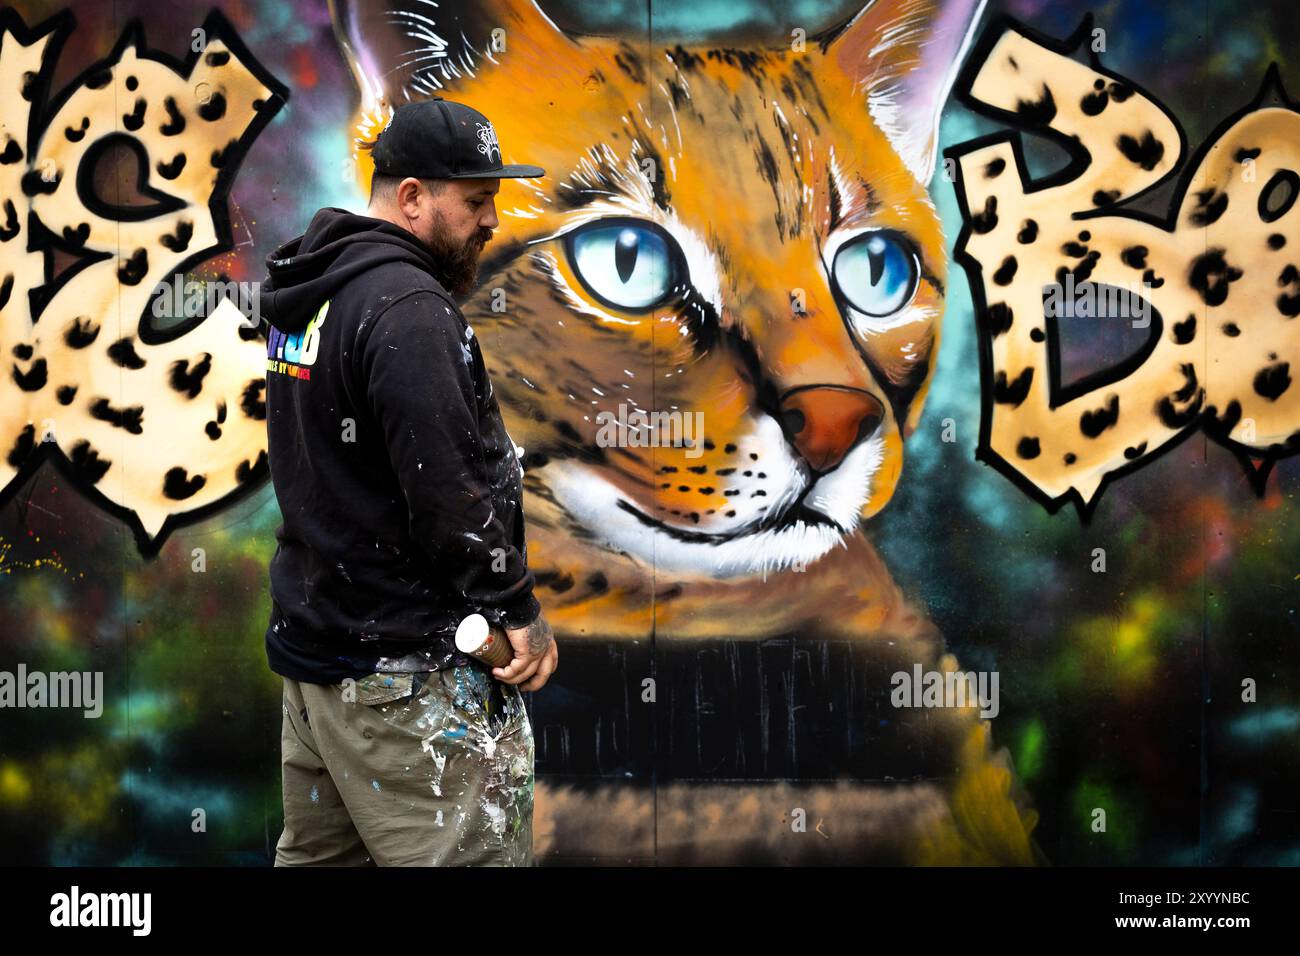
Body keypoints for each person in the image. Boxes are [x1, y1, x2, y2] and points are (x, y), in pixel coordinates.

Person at [259, 97, 557, 866]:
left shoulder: (313, 287)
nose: (492, 220)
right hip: (406, 680)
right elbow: (450, 494)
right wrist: (516, 608)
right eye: (475, 200)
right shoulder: (410, 308)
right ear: (413, 197)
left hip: (321, 669)